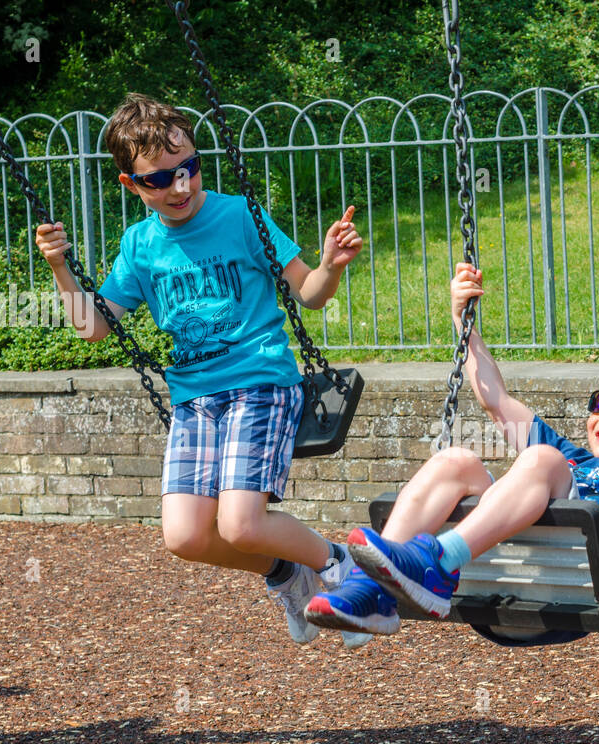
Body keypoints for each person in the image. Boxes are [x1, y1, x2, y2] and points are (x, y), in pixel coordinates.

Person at [34, 92, 369, 647]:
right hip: (194, 398)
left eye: (187, 169)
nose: (180, 187)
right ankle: (288, 574)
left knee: (241, 525)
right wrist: (60, 270)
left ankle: (344, 570)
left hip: (259, 380)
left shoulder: (240, 216)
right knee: (185, 537)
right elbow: (93, 326)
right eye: (159, 180)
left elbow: (309, 295)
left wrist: (330, 266)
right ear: (131, 185)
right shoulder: (140, 244)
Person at [306, 245, 599, 636]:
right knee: (457, 461)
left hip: (567, 594)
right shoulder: (569, 458)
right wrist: (461, 321)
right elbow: (497, 401)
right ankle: (369, 592)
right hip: (497, 579)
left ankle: (438, 558)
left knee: (543, 458)